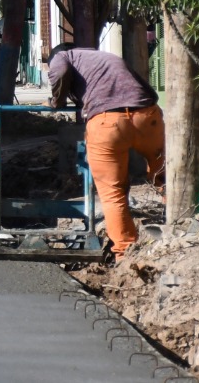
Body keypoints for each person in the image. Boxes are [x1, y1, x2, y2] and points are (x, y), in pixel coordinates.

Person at [48, 43, 165, 258]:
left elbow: (60, 70)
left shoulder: (63, 56)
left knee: (112, 192)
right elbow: (147, 90)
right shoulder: (105, 57)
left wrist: (56, 101)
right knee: (164, 176)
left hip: (106, 124)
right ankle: (183, 227)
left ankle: (125, 252)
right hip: (147, 117)